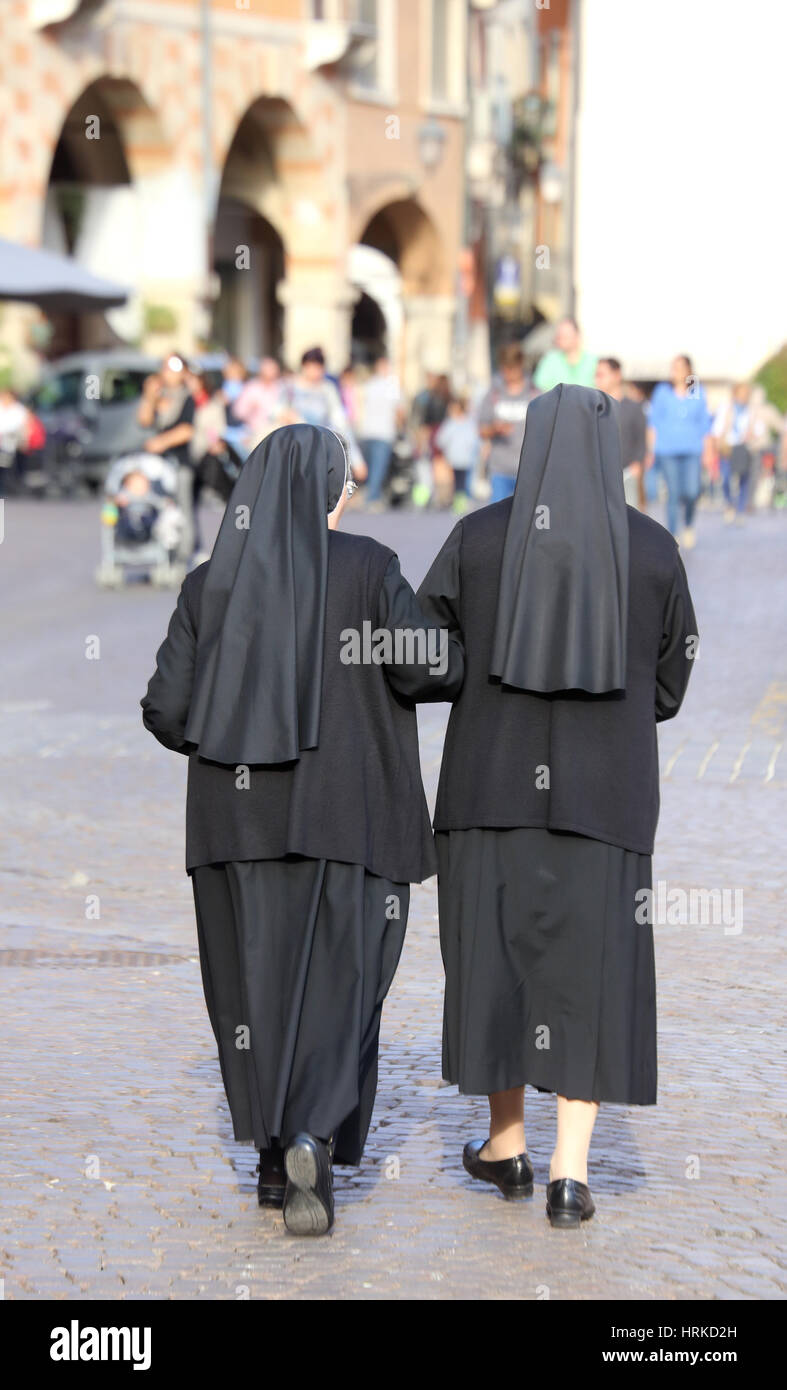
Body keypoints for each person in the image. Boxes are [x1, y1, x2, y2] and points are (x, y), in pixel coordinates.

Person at [141, 423, 463, 1237]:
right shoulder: (367, 568)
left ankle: (272, 1157)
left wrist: (227, 748)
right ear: (329, 491)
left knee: (254, 987)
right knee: (342, 982)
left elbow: (165, 709)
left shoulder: (209, 583)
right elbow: (427, 666)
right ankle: (313, 1136)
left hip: (236, 828)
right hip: (346, 817)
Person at [417, 384, 697, 1228]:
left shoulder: (476, 539)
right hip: (605, 801)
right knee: (590, 976)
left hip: (487, 789)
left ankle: (506, 1143)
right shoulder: (651, 551)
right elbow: (672, 679)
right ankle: (569, 1175)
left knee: (496, 964)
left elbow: (429, 657)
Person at [647, 355, 712, 548]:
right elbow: (653, 423)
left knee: (692, 491)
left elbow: (703, 422)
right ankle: (673, 534)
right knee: (673, 493)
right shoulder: (662, 391)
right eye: (673, 367)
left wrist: (709, 450)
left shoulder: (694, 389)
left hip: (692, 449)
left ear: (689, 370)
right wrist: (650, 450)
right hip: (667, 449)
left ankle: (689, 524)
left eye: (680, 368)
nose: (675, 371)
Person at [138, 354, 198, 563]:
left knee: (183, 507)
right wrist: (149, 396)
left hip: (180, 462)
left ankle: (185, 553)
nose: (169, 374)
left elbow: (187, 430)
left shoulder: (188, 397)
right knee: (156, 505)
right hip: (157, 465)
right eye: (166, 368)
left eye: (175, 369)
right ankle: (160, 551)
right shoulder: (158, 396)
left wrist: (161, 442)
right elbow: (144, 420)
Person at [278, 347, 367, 479]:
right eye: (311, 367)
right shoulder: (289, 387)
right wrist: (287, 415)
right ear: (304, 366)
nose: (315, 372)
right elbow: (274, 412)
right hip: (292, 452)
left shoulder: (327, 390)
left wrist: (356, 459)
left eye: (318, 368)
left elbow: (340, 423)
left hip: (319, 453)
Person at [477, 343, 536, 503]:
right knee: (497, 521)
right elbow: (481, 430)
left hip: (527, 470)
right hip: (500, 469)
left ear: (520, 366)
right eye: (505, 368)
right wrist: (494, 429)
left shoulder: (534, 393)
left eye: (512, 368)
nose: (508, 373)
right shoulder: (494, 393)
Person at [595, 357, 648, 509]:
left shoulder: (633, 407)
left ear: (617, 375)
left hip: (627, 473)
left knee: (631, 519)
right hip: (600, 475)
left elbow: (641, 439)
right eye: (596, 375)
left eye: (601, 374)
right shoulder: (592, 408)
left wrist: (638, 464)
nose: (597, 379)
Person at [358, 354, 404, 510]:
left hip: (367, 431)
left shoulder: (369, 385)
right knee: (379, 467)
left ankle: (369, 494)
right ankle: (372, 498)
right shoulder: (392, 386)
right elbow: (399, 411)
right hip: (384, 432)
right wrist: (401, 427)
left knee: (370, 466)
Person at [434, 394, 480, 514]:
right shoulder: (459, 423)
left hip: (459, 458)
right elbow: (441, 439)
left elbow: (441, 439)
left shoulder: (458, 423)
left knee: (460, 482)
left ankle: (459, 504)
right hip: (458, 458)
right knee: (458, 482)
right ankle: (458, 503)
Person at [532, 316, 597, 391]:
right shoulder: (550, 359)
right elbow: (540, 386)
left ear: (577, 336)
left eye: (565, 335)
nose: (560, 338)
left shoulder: (592, 361)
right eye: (559, 335)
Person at [232, 356, 282, 452]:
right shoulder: (251, 388)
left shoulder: (280, 387)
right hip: (254, 433)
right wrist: (250, 407)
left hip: (276, 433)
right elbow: (238, 412)